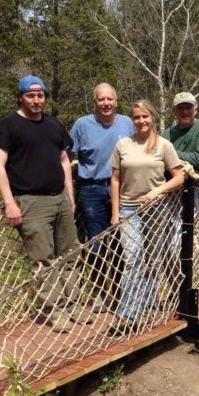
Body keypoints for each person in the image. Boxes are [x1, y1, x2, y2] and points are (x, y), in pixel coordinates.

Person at [0, 75, 91, 333]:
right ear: (20, 97)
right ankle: (55, 310)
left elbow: (64, 160)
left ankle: (73, 304)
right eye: (30, 95)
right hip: (30, 201)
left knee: (70, 254)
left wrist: (70, 194)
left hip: (60, 199)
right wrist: (9, 203)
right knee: (43, 260)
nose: (36, 100)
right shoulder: (7, 126)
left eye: (40, 95)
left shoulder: (53, 124)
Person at [110, 100, 185, 332]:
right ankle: (129, 313)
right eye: (136, 117)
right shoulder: (123, 144)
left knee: (152, 258)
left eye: (145, 116)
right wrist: (115, 213)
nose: (141, 121)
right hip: (128, 208)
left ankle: (149, 303)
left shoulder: (164, 145)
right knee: (133, 257)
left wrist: (157, 191)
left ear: (152, 117)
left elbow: (179, 176)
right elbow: (114, 179)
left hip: (156, 208)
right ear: (132, 120)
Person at [69, 83, 134, 310]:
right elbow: (66, 156)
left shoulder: (128, 123)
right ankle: (97, 291)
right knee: (95, 244)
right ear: (94, 102)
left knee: (120, 243)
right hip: (92, 189)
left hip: (124, 189)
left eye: (109, 99)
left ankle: (115, 294)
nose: (106, 103)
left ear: (116, 101)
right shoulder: (82, 125)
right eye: (101, 100)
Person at [161, 91, 199, 212]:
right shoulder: (167, 134)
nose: (184, 111)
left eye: (188, 107)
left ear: (195, 109)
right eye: (180, 108)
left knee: (187, 229)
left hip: (191, 189)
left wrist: (169, 153)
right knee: (167, 230)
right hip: (167, 191)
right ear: (174, 111)